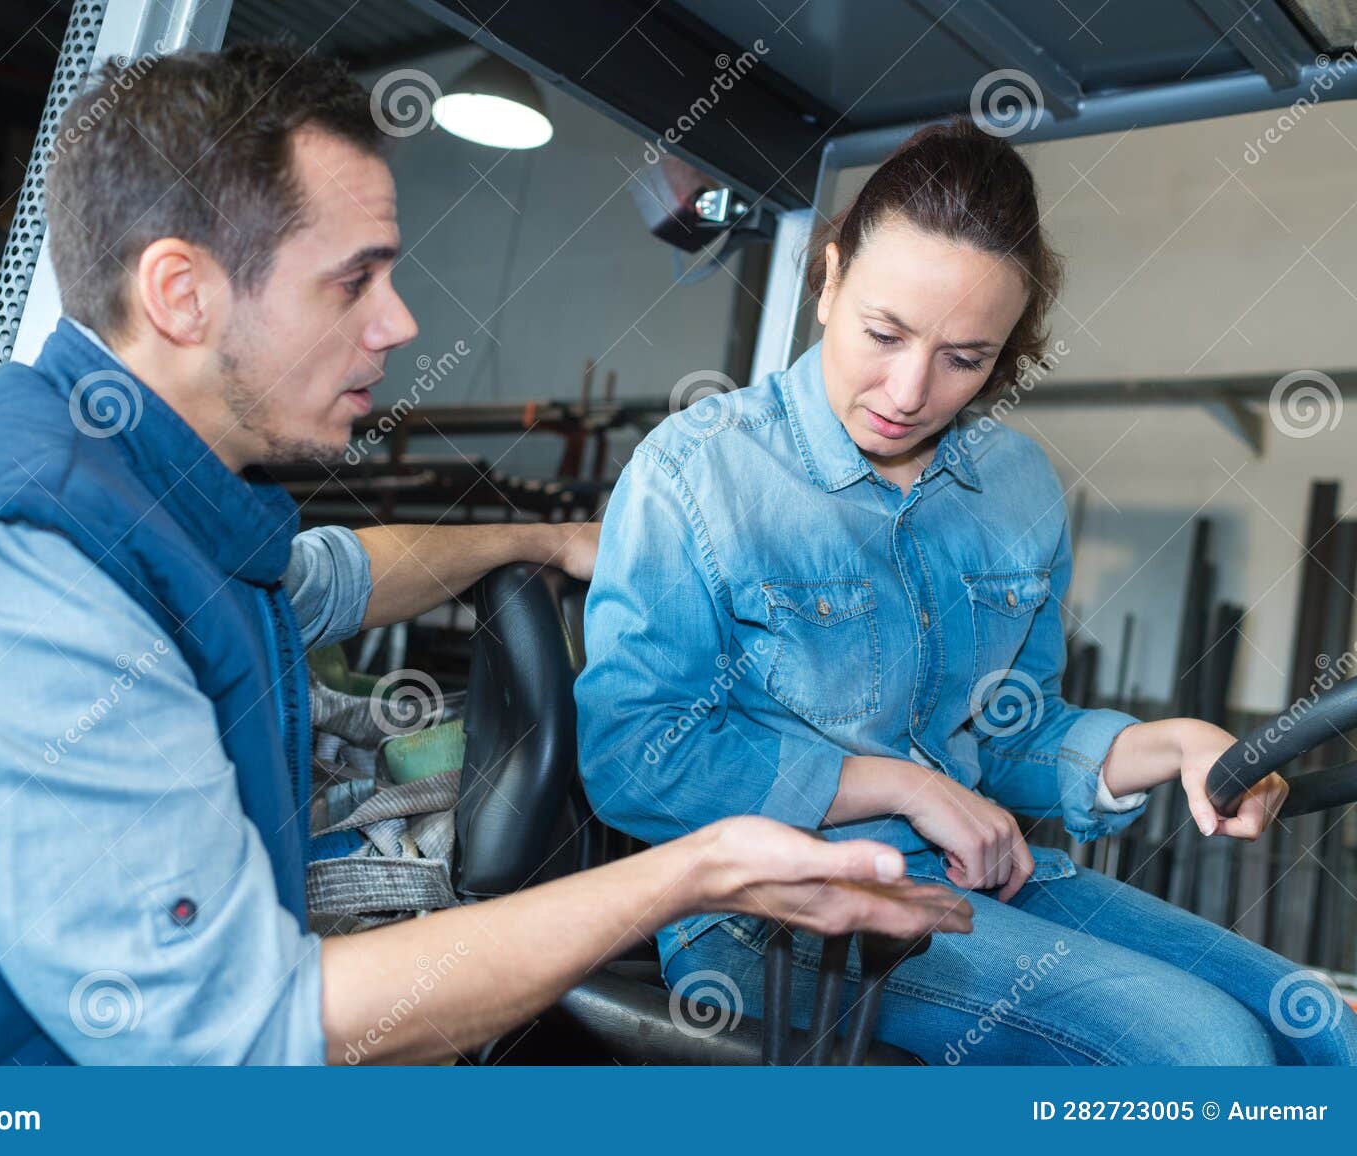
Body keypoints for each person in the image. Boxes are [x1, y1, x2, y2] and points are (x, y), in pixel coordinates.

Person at [0, 45, 972, 1067]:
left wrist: (540, 539)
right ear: (181, 292)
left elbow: (325, 578)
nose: (399, 323)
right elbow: (237, 1039)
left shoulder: (136, 485)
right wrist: (694, 871)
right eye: (356, 281)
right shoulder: (14, 557)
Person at [576, 117, 1357, 1066]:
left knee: (1319, 1034)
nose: (909, 390)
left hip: (983, 880)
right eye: (884, 333)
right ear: (827, 280)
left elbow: (1011, 734)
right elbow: (632, 754)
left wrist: (1178, 745)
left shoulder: (1016, 485)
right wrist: (900, 786)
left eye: (965, 359)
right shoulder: (699, 471)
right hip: (767, 910)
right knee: (1211, 1053)